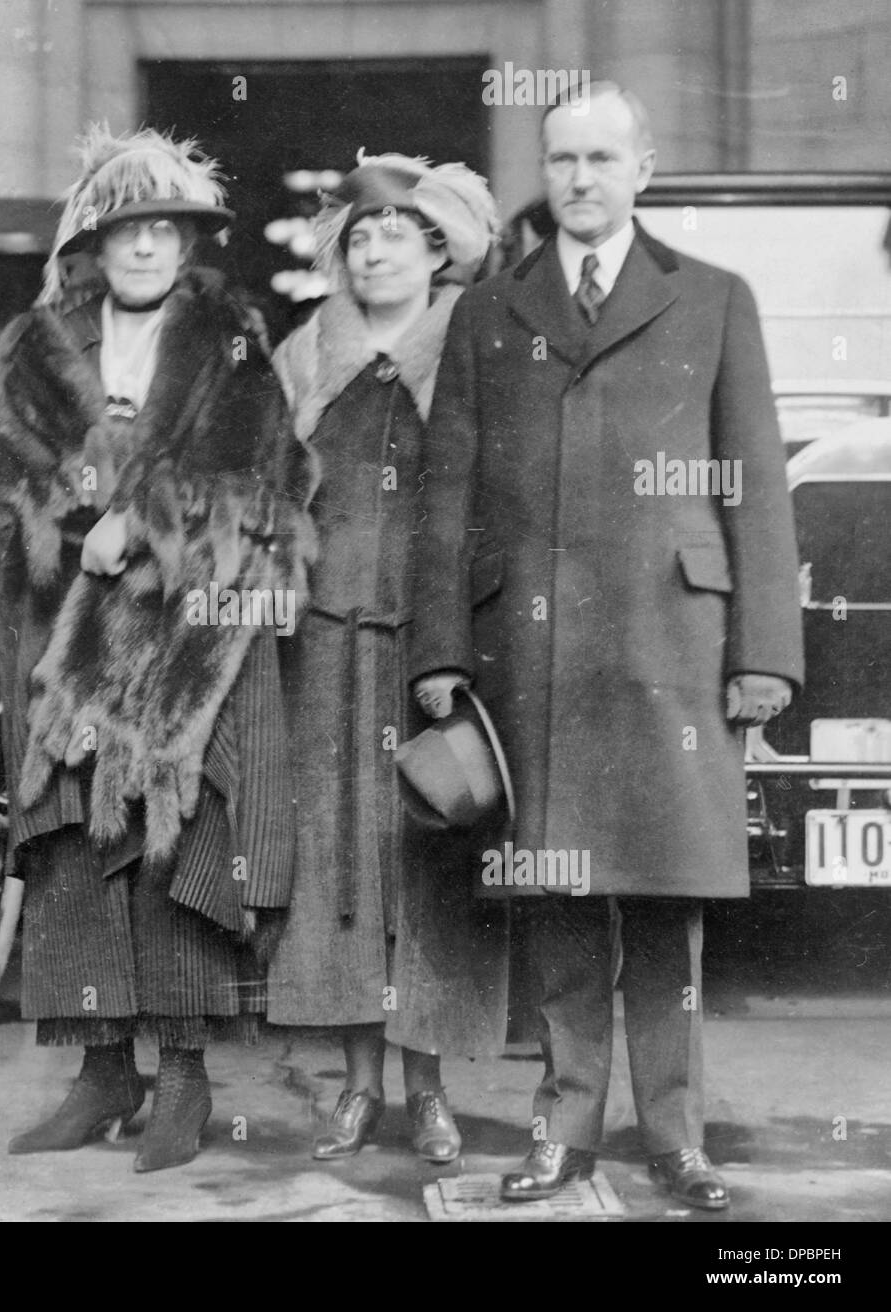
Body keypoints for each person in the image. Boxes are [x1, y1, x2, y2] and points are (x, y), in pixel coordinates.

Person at [429, 83, 803, 1210]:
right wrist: (437, 654)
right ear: (542, 173)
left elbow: (756, 486)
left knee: (664, 901)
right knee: (557, 902)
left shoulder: (714, 300)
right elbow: (445, 497)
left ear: (644, 169)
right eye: (561, 159)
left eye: (601, 157)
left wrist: (765, 654)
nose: (580, 178)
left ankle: (676, 1138)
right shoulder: (489, 312)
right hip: (528, 660)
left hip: (669, 651)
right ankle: (563, 1128)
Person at [0, 126, 317, 1173]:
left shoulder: (231, 339)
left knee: (179, 839)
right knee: (77, 843)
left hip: (190, 637)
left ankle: (182, 1077)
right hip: (68, 625)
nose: (144, 247)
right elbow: (7, 464)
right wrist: (88, 522)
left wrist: (155, 521)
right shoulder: (35, 341)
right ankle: (100, 1073)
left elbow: (269, 483)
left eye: (164, 229)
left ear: (188, 241)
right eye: (126, 228)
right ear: (96, 236)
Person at [264, 153, 508, 1163]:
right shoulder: (298, 356)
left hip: (434, 652)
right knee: (339, 868)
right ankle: (358, 1084)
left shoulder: (477, 350)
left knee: (431, 866)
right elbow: (261, 497)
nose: (371, 252)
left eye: (393, 235)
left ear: (437, 249)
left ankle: (431, 1089)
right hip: (322, 649)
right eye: (356, 238)